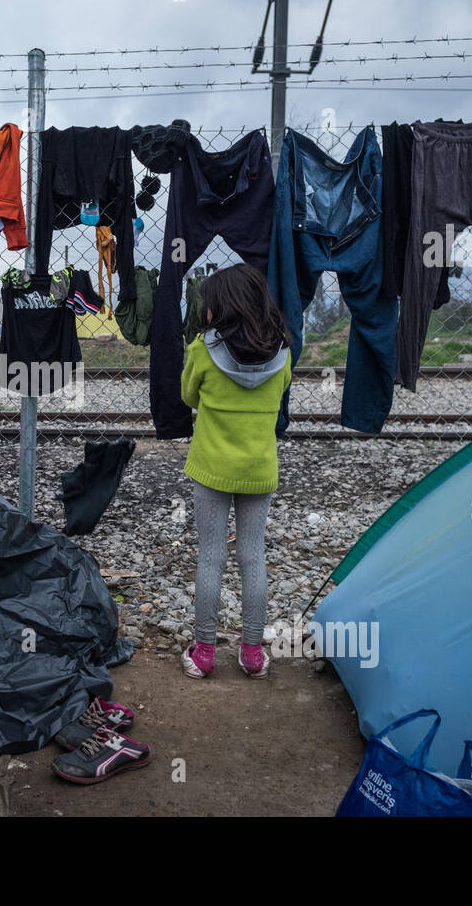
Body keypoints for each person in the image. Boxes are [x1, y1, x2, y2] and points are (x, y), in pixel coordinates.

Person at [178, 263, 291, 679]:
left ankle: (204, 653)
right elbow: (279, 398)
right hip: (259, 470)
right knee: (252, 557)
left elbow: (189, 396)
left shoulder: (201, 350)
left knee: (211, 557)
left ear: (219, 308)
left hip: (211, 468)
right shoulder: (283, 351)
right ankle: (252, 654)